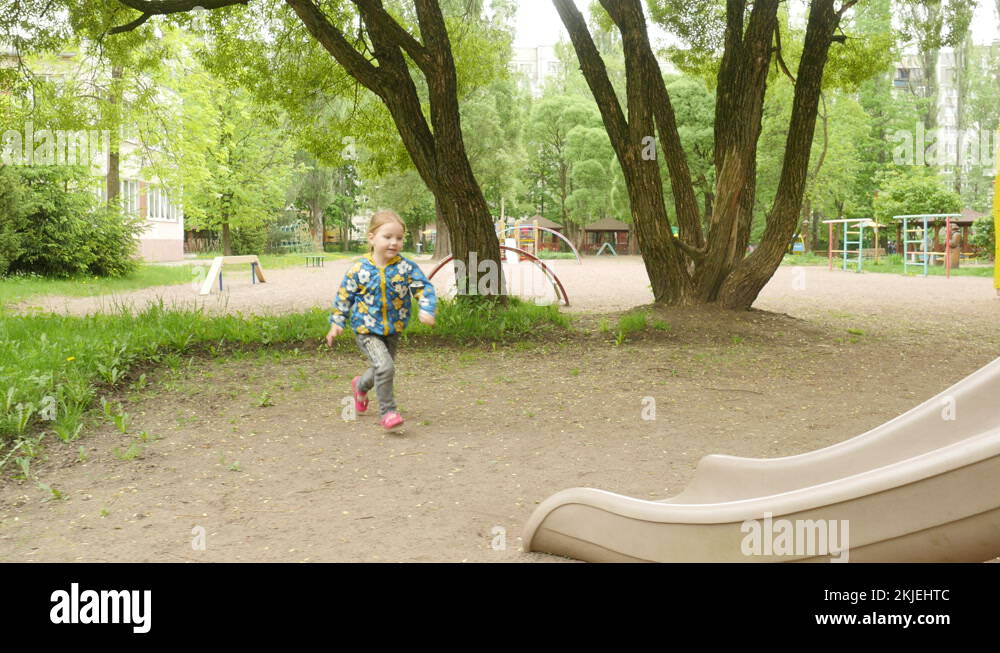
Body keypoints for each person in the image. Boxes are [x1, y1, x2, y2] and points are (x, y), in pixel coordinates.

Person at [325, 210, 437, 430]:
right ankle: (388, 412)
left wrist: (426, 308)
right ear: (371, 238)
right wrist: (337, 323)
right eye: (387, 237)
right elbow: (344, 296)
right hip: (366, 330)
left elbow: (423, 288)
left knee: (381, 369)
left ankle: (360, 385)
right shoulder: (359, 269)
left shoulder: (406, 268)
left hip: (393, 329)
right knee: (385, 368)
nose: (394, 242)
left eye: (399, 238)